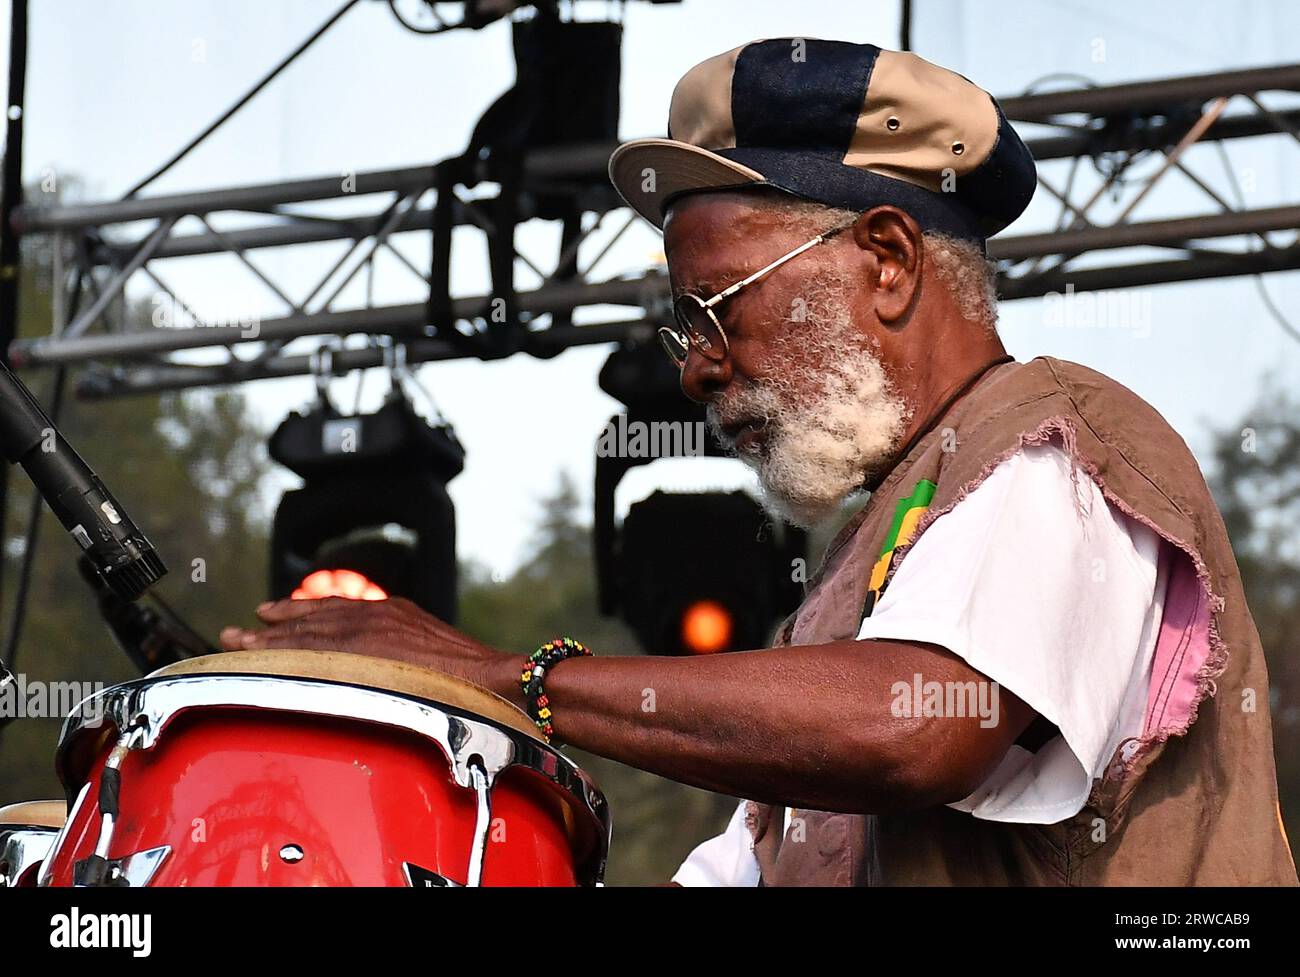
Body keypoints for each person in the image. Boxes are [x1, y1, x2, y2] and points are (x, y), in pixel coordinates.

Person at [222, 39, 1297, 886]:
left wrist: (510, 679)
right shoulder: (870, 563)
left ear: (884, 261)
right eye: (682, 328)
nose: (694, 369)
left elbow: (920, 722)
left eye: (716, 309)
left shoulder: (1054, 442)